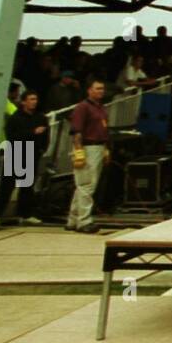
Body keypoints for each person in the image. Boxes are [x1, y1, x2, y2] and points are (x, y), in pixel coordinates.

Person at [0, 90, 48, 229]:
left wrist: (41, 149)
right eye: (31, 99)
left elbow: (45, 135)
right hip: (15, 155)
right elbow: (13, 136)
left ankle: (25, 214)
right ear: (24, 101)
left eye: (36, 99)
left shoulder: (40, 117)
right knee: (6, 187)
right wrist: (32, 132)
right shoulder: (15, 118)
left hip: (32, 155)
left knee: (27, 187)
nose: (34, 101)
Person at [65, 79, 109, 233]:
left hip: (98, 146)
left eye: (102, 88)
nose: (101, 91)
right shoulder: (82, 107)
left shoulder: (101, 108)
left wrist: (104, 149)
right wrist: (79, 152)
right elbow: (77, 131)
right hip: (86, 147)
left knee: (83, 186)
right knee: (87, 185)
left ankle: (73, 219)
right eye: (97, 88)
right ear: (89, 90)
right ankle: (84, 221)